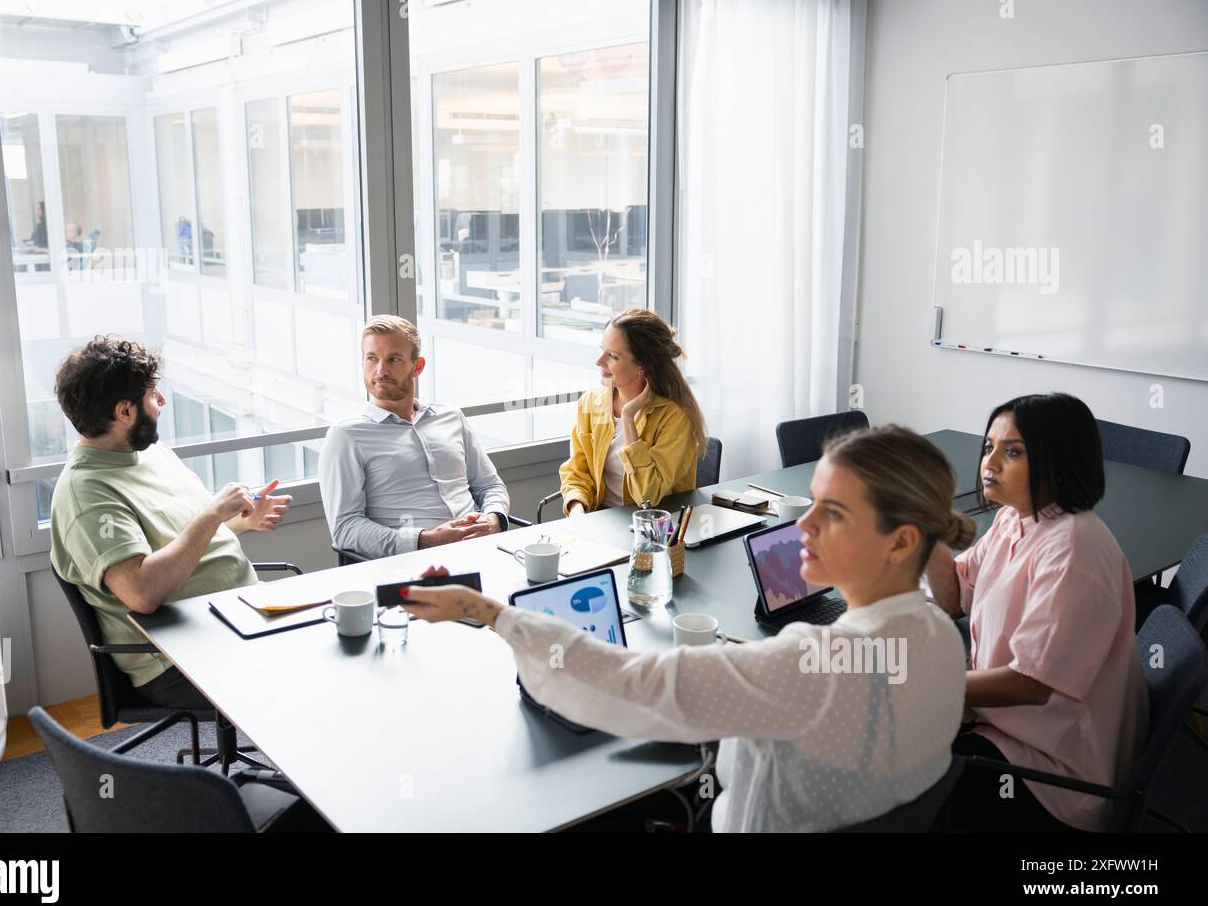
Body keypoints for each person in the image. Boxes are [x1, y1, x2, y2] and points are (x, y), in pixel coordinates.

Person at [404, 426, 973, 832]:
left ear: (901, 541)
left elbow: (625, 683)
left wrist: (491, 613)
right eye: (814, 503)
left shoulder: (809, 667)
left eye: (834, 513)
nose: (804, 523)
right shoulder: (942, 634)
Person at [926, 393, 1147, 832]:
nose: (990, 462)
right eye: (989, 447)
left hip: (1056, 774)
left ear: (1058, 460)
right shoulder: (1015, 518)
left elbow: (1028, 685)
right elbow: (955, 599)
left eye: (1013, 451)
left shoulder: (1073, 550)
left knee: (893, 772)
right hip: (1015, 727)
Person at [49, 337, 292, 709]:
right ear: (125, 411)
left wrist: (239, 523)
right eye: (152, 395)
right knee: (322, 669)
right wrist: (212, 514)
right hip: (178, 659)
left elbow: (181, 545)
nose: (162, 402)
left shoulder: (146, 453)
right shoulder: (87, 493)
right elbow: (143, 593)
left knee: (348, 632)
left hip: (235, 615)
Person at [319, 315, 511, 559]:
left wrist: (493, 519)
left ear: (417, 367)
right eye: (372, 358)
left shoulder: (451, 417)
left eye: (394, 359)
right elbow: (345, 529)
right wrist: (423, 540)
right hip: (409, 565)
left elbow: (489, 485)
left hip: (480, 551)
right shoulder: (345, 436)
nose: (381, 370)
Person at [560, 308, 706, 515]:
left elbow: (648, 497)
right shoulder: (591, 403)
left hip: (656, 529)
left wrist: (628, 418)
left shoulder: (674, 416)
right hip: (599, 521)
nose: (599, 361)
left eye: (612, 356)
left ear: (642, 366)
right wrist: (577, 512)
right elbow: (577, 472)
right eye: (602, 350)